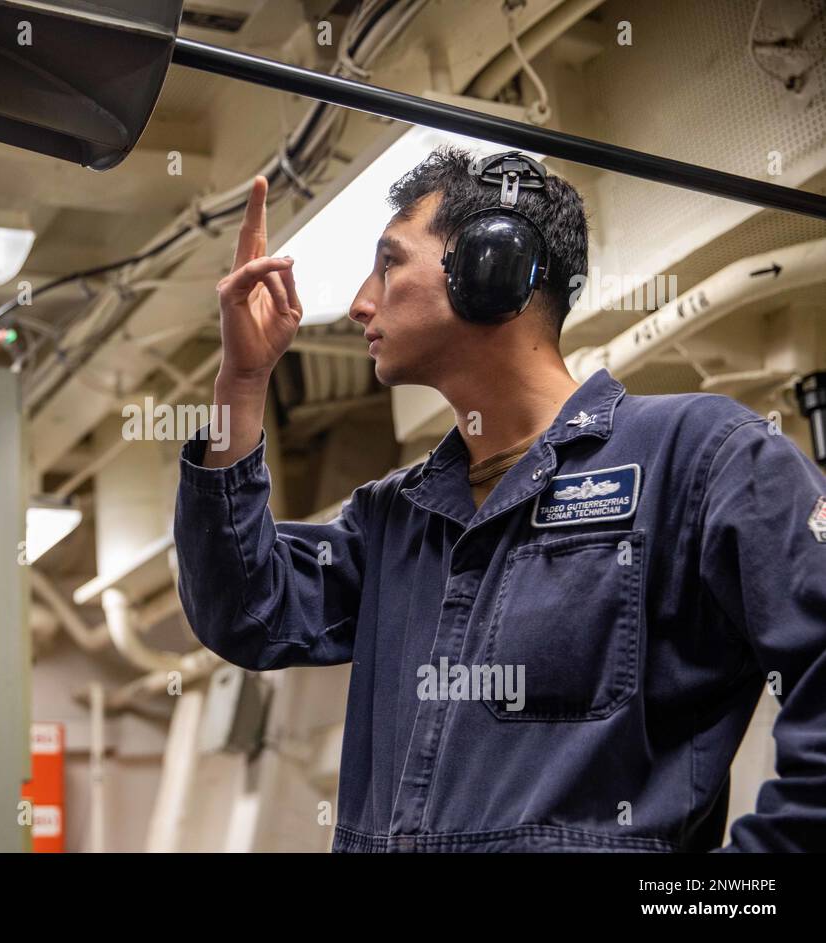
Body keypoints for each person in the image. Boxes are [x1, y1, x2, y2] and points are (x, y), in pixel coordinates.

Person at [173, 147, 826, 852]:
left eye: (390, 262)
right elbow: (244, 611)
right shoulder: (397, 518)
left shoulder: (702, 458)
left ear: (492, 266)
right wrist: (241, 384)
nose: (362, 301)